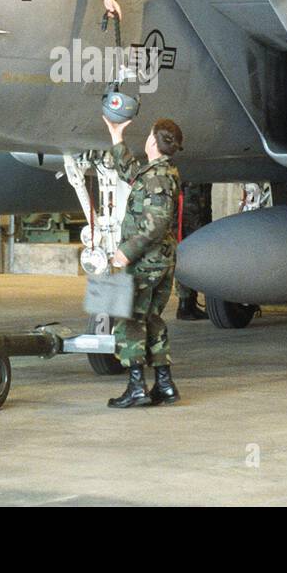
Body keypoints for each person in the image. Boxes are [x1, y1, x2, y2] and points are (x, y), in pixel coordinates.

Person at [101, 115, 183, 407]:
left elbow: (157, 223)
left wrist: (127, 252)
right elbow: (132, 173)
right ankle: (165, 384)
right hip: (159, 261)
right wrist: (117, 139)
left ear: (152, 141)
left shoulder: (157, 177)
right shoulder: (162, 171)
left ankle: (136, 387)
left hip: (145, 263)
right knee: (152, 319)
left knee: (130, 320)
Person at [176, 182, 211, 320]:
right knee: (191, 253)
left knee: (188, 252)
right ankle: (186, 304)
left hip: (193, 210)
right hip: (192, 213)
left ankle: (187, 303)